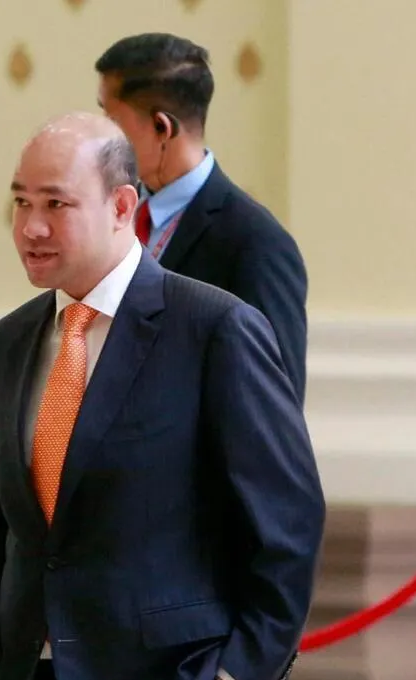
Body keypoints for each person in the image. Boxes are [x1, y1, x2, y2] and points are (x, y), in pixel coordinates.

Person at [0, 112, 325, 680]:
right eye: (22, 203)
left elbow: (286, 526)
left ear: (122, 207)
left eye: (56, 205)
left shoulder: (214, 329)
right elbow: (2, 522)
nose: (31, 228)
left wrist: (237, 673)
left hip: (169, 667)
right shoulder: (2, 347)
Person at [94, 33, 309, 404]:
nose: (101, 137)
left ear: (162, 128)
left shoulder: (257, 244)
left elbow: (272, 406)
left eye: (112, 120)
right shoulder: (106, 217)